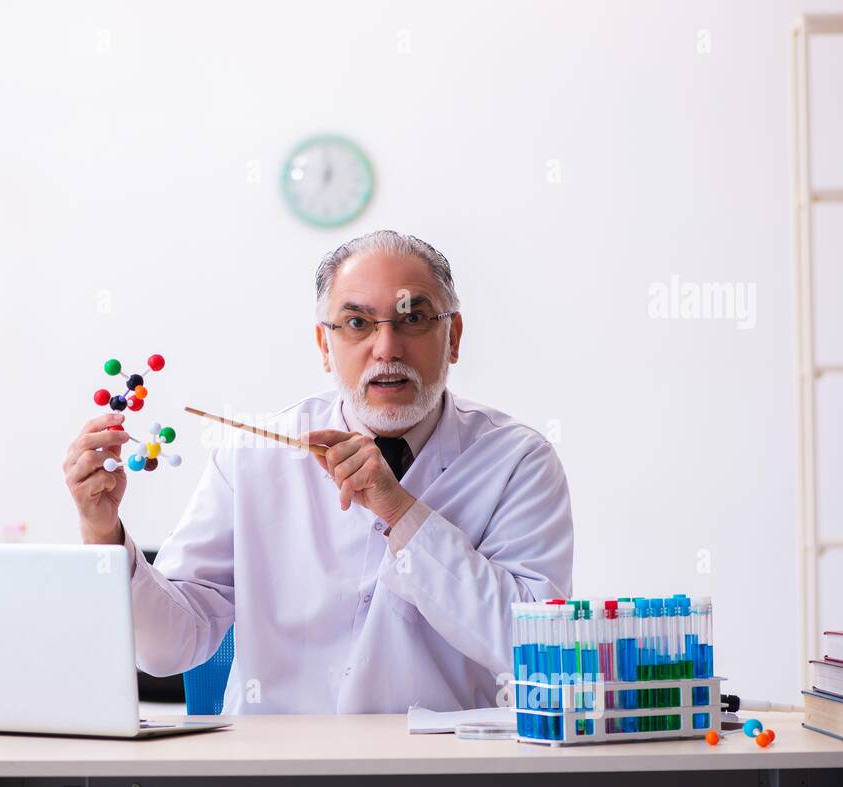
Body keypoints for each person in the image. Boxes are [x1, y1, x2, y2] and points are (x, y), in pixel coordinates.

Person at [63, 230, 573, 713]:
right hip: (275, 774)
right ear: (323, 346)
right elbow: (168, 649)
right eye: (356, 324)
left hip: (442, 772)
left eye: (412, 319)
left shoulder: (518, 462)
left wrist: (398, 509)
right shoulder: (252, 457)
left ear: (454, 336)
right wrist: (104, 533)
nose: (387, 348)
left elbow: (530, 646)